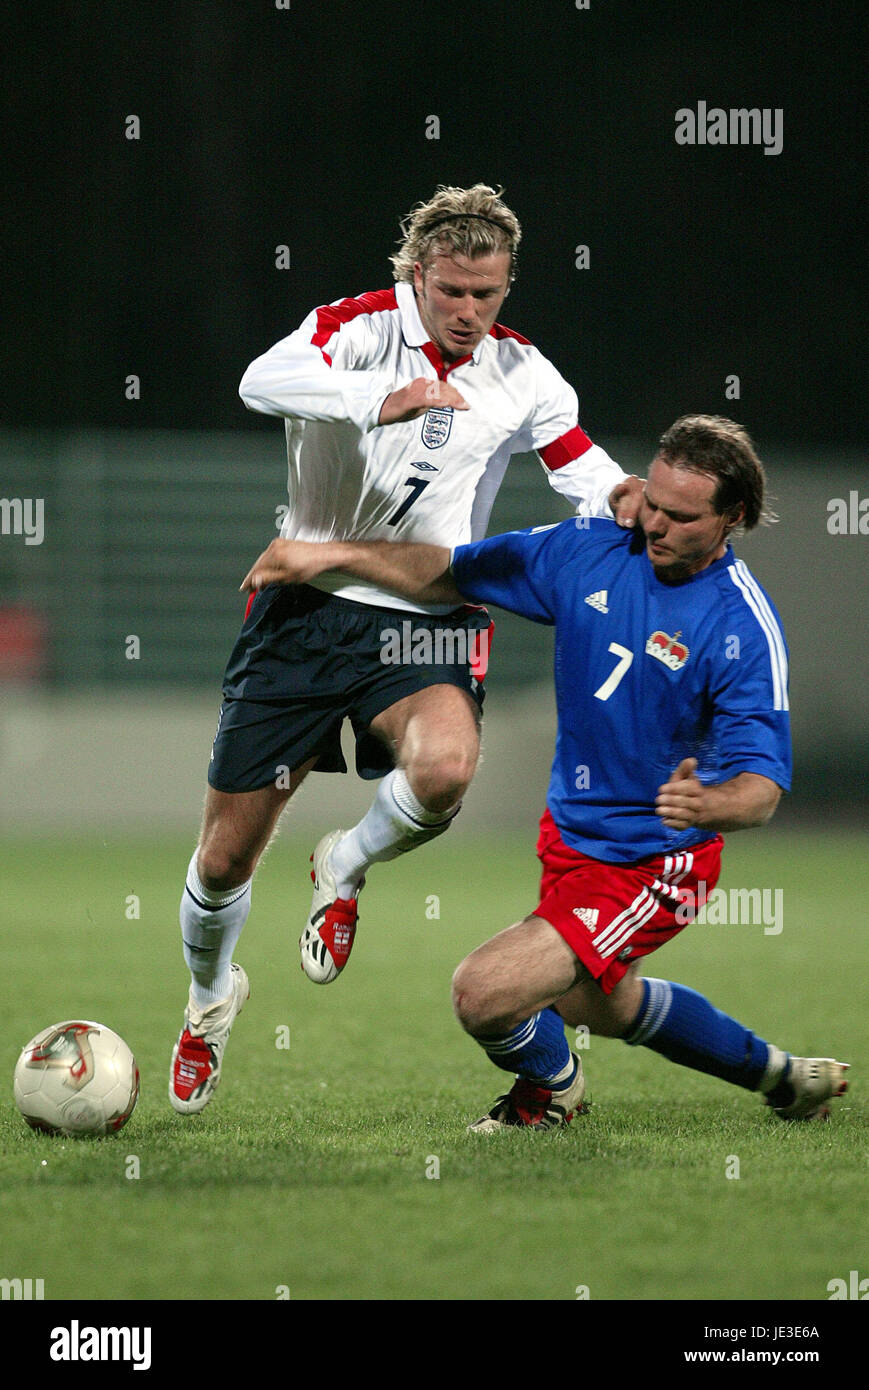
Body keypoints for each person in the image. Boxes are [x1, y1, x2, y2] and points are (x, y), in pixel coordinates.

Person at [169, 183, 642, 1114]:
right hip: (303, 613)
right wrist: (376, 398)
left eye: (489, 294)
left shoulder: (522, 372)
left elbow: (579, 468)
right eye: (453, 291)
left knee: (445, 771)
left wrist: (622, 497)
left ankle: (343, 864)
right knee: (224, 861)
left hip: (426, 612)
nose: (470, 313)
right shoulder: (350, 329)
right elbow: (257, 381)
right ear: (415, 275)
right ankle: (208, 998)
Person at [239, 414, 849, 1127]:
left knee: (485, 991)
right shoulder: (587, 552)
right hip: (569, 837)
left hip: (656, 860)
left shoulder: (739, 625)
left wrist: (709, 804)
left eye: (679, 516)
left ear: (731, 519)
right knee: (601, 1003)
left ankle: (550, 1092)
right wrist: (328, 556)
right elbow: (447, 572)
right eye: (650, 500)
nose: (652, 523)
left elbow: (761, 791)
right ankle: (781, 1078)